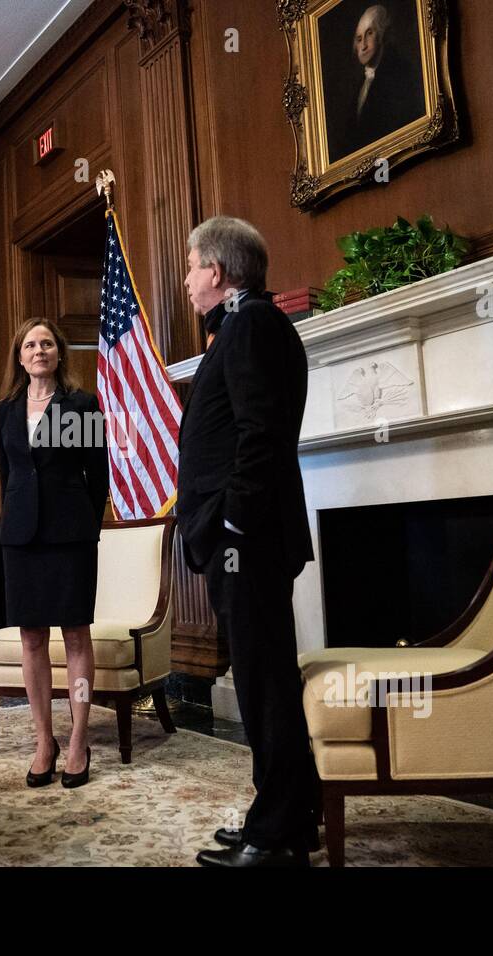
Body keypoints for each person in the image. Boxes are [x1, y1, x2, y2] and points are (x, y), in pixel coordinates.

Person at [177, 216, 320, 867]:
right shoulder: (245, 324)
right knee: (266, 679)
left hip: (249, 538)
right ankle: (287, 814)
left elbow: (260, 434)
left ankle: (277, 833)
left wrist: (230, 522)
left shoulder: (252, 324)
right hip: (248, 538)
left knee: (265, 683)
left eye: (189, 267)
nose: (184, 281)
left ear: (217, 270)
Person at [0, 318, 109, 789]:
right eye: (30, 344)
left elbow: (97, 475)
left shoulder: (81, 405)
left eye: (47, 343)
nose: (39, 350)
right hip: (21, 537)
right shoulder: (4, 411)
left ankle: (78, 739)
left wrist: (87, 528)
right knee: (31, 639)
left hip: (70, 536)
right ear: (20, 357)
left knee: (77, 637)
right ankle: (45, 739)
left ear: (59, 353)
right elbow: (6, 475)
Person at [328, 4, 424, 162]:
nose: (363, 45)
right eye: (359, 39)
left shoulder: (398, 74)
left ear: (381, 35)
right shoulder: (360, 85)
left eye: (369, 33)